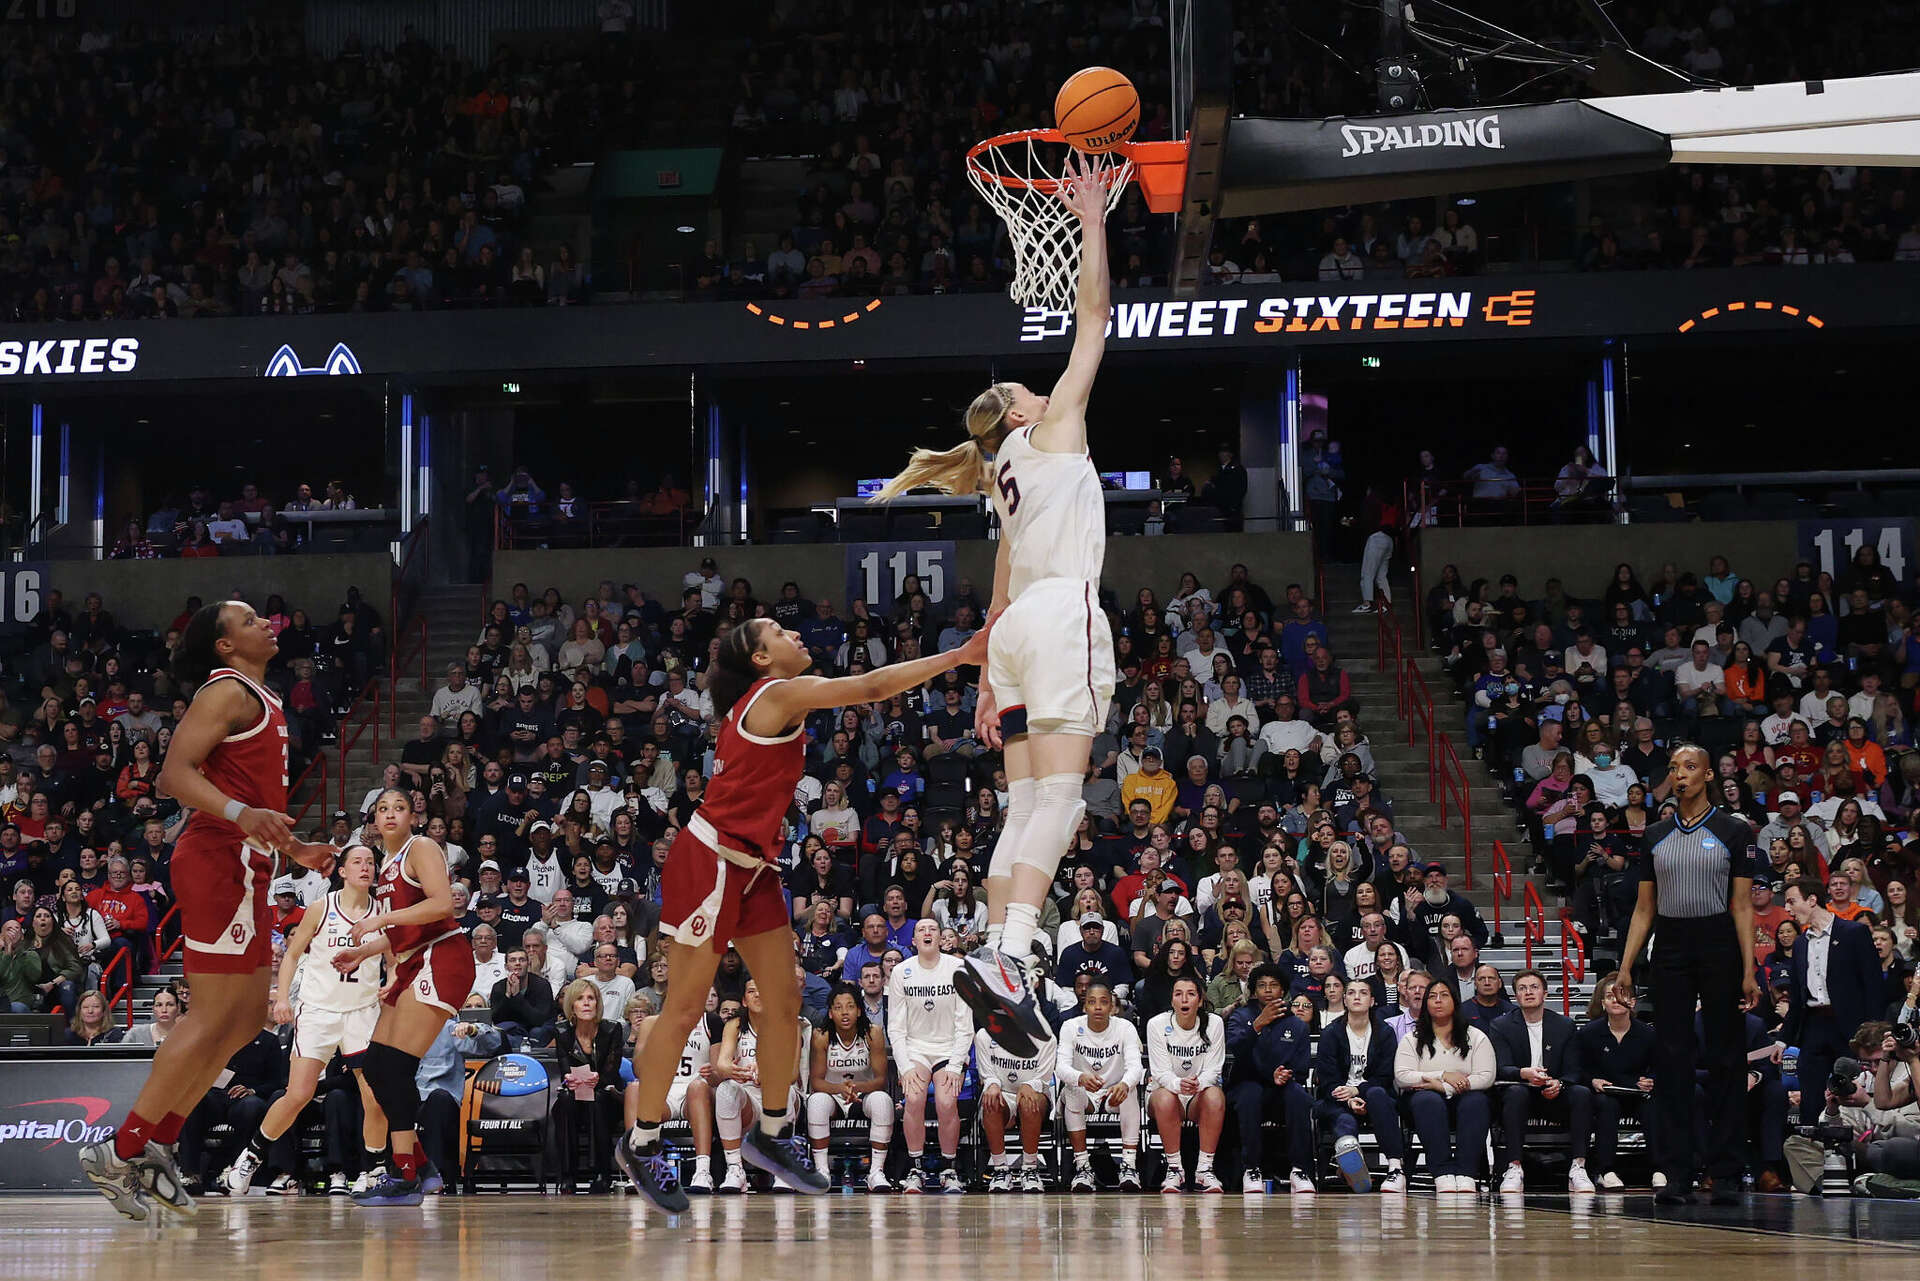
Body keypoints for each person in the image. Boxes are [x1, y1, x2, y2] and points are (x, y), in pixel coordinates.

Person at [873, 156, 1116, 1059]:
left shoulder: (998, 476)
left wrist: (985, 676)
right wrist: (1090, 220)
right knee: (1063, 796)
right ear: (1017, 415)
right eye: (1026, 391)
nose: (1040, 389)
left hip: (1012, 633)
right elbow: (1093, 319)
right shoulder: (1051, 431)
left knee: (1023, 802)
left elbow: (1002, 572)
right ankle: (1012, 953)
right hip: (1057, 617)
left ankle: (995, 944)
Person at [619, 619, 987, 1212]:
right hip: (710, 859)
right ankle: (642, 1143)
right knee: (684, 1007)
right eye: (777, 631)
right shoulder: (774, 694)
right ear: (762, 659)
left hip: (754, 865)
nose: (792, 632)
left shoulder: (766, 699)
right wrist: (961, 654)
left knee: (785, 999)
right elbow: (871, 688)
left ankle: (770, 1133)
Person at [81, 600, 336, 1222]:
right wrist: (242, 816)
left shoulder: (263, 695)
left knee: (244, 1021)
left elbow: (253, 800)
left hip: (249, 861)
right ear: (225, 646)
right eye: (248, 621)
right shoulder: (225, 691)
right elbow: (172, 775)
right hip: (217, 857)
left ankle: (159, 1143)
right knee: (212, 1015)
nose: (266, 623)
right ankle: (120, 1150)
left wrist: (296, 848)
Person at [1615, 743, 1760, 1206]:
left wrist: (1749, 969)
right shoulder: (1655, 834)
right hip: (1671, 944)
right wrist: (1625, 966)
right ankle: (1676, 1171)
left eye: (1690, 767)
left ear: (1709, 775)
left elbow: (1742, 906)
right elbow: (1644, 909)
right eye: (1675, 768)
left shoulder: (1734, 830)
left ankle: (1727, 1171)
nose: (1680, 775)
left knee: (1726, 1057)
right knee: (1671, 1059)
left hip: (1718, 941)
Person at [335, 789, 476, 1206]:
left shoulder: (422, 847)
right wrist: (365, 951)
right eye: (383, 809)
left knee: (395, 1066)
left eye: (399, 808)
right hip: (417, 959)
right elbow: (404, 931)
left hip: (443, 956)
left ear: (413, 817)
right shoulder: (387, 864)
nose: (391, 814)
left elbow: (441, 905)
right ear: (373, 821)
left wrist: (381, 918)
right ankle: (423, 1170)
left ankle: (404, 1174)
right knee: (376, 1067)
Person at [221, 845, 384, 1197]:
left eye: (371, 862)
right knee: (298, 1094)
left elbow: (396, 956)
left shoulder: (382, 912)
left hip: (362, 1010)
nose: (365, 867)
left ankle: (373, 1171)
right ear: (342, 871)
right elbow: (293, 954)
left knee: (374, 1095)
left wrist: (394, 984)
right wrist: (282, 997)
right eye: (357, 862)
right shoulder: (322, 907)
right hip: (319, 1010)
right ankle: (251, 1156)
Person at [1782, 876, 1884, 1125]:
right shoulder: (1799, 944)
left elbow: (1873, 986)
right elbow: (1797, 998)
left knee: (1852, 1092)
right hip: (1813, 1027)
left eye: (1791, 901)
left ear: (1812, 900)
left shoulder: (1854, 933)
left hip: (1850, 1029)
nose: (1787, 909)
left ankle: (1858, 1143)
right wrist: (1782, 1039)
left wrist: (1874, 1031)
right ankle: (1813, 1144)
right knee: (1811, 1096)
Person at [1490, 968, 1595, 1193]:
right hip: (1521, 1091)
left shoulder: (1564, 1025)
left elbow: (1574, 1070)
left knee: (1582, 1093)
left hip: (1554, 1093)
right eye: (1522, 988)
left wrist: (1560, 1084)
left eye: (1534, 987)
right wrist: (1523, 1073)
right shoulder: (1501, 1025)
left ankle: (1578, 1166)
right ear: (1516, 996)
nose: (1528, 992)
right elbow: (1501, 1068)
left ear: (1545, 994)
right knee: (1515, 1094)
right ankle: (1514, 1167)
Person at [888, 918, 972, 1192]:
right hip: (915, 1048)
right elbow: (895, 1027)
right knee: (913, 1099)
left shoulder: (957, 968)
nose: (927, 932)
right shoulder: (901, 972)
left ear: (941, 939)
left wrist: (956, 1065)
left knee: (947, 1102)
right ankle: (916, 1168)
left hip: (948, 1046)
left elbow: (965, 1024)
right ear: (913, 940)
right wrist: (904, 1067)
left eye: (932, 929)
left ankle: (949, 1169)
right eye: (921, 929)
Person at [1395, 977, 1495, 1192]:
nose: (1438, 1000)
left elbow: (1486, 1076)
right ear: (1426, 1004)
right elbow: (1402, 1076)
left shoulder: (1475, 1036)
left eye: (1444, 995)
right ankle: (1442, 1173)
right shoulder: (1412, 1039)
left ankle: (1466, 1173)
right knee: (1427, 1099)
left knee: (1476, 1101)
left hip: (1464, 1100)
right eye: (1432, 996)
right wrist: (1443, 1075)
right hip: (1421, 1105)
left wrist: (1444, 1087)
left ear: (1455, 1002)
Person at [1225, 963, 1316, 1194]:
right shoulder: (1241, 1016)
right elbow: (1235, 1051)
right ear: (1254, 991)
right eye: (1262, 985)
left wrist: (1286, 1074)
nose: (1267, 990)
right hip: (1246, 1083)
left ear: (1282, 991)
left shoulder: (1296, 1024)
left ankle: (1300, 1170)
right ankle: (1251, 1169)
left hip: (1282, 1086)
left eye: (1273, 985)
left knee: (1299, 1096)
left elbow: (1301, 1068)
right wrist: (1257, 1025)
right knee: (1250, 1094)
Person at [1315, 974, 1407, 1193]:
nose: (1357, 997)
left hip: (1376, 1097)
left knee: (1376, 1094)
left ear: (1372, 1001)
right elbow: (1327, 1080)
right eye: (1351, 993)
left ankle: (1395, 1168)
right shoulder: (1331, 1033)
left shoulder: (1384, 1032)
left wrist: (1357, 1090)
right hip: (1337, 1099)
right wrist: (1348, 1100)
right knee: (1344, 1119)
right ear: (1345, 1000)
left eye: (1363, 993)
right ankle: (1349, 1160)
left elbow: (1385, 1076)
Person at [1057, 982, 1145, 1191]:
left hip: (1112, 1095)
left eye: (1104, 1002)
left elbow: (1135, 1067)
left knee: (1130, 1090)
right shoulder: (1070, 1027)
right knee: (1072, 1090)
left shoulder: (1125, 1028)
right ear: (1084, 1007)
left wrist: (1124, 1084)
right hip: (1084, 1094)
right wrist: (1080, 1077)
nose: (1097, 1007)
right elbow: (1061, 1067)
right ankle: (1083, 1167)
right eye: (1092, 1002)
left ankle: (1129, 1166)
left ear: (1112, 1007)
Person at [806, 984, 893, 1191]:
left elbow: (881, 1080)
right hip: (833, 1096)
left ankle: (876, 1172)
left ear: (859, 1010)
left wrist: (855, 1087)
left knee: (883, 1101)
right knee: (816, 1101)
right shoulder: (821, 1035)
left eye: (850, 1006)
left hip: (863, 1095)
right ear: (830, 1013)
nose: (844, 1012)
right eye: (838, 1007)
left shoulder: (873, 1033)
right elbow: (816, 1082)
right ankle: (822, 1171)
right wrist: (840, 1089)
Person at [1146, 974, 1227, 1193]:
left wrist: (1197, 1084)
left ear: (1200, 1001)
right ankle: (1174, 1169)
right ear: (1172, 1000)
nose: (1184, 999)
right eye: (1178, 994)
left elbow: (1214, 1069)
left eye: (1191, 994)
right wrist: (1178, 1084)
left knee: (1215, 1096)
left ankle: (1204, 1170)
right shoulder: (1156, 1024)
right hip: (1165, 1092)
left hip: (1199, 1093)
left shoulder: (1214, 1023)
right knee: (1165, 1097)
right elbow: (1160, 1072)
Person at [624, 1007, 718, 1193]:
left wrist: (712, 1072)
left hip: (695, 1092)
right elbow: (638, 1071)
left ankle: (702, 1171)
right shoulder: (651, 1023)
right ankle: (638, 1168)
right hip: (662, 1094)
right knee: (634, 1089)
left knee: (698, 1087)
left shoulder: (710, 1021)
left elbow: (717, 1074)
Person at [551, 978, 626, 1192]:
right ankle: (567, 1175)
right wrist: (569, 1078)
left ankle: (602, 1173)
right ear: (571, 1005)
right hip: (576, 1097)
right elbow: (564, 1067)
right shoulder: (562, 1031)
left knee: (598, 1098)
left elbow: (612, 1070)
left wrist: (599, 1079)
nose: (586, 1003)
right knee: (565, 1099)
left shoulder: (612, 1029)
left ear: (597, 1003)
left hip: (606, 1097)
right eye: (580, 999)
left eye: (591, 998)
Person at [975, 1018, 1056, 1193]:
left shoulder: (1045, 1037)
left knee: (1028, 1102)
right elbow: (986, 1074)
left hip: (1034, 1094)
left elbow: (1044, 1079)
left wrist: (1030, 1085)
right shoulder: (984, 1035)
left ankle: (1030, 1169)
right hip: (1003, 1093)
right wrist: (992, 1083)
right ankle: (1001, 1170)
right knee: (991, 1101)